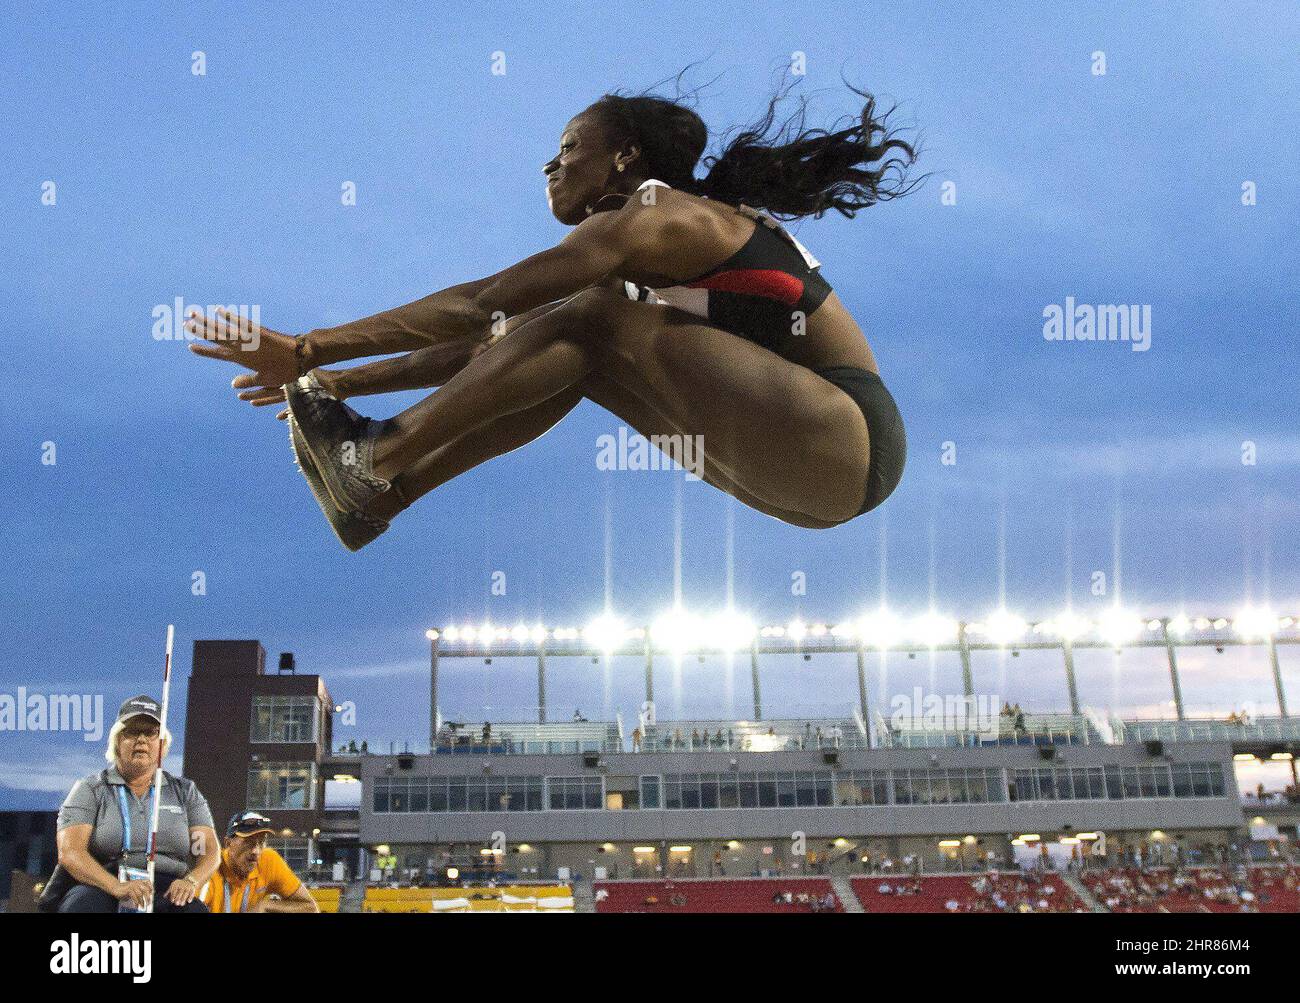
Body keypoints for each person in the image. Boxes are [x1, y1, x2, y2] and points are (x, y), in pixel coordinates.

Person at [188, 78, 917, 551]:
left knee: (593, 318)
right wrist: (330, 387)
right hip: (814, 482)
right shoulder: (640, 265)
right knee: (576, 354)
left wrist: (310, 348)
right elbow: (498, 343)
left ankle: (374, 459)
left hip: (847, 427)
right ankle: (377, 495)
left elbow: (486, 300)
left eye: (569, 147)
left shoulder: (658, 215)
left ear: (625, 157)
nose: (551, 165)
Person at [54, 695, 220, 912]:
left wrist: (191, 881)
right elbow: (71, 852)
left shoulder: (185, 792)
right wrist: (116, 886)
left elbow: (209, 851)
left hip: (166, 886)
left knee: (194, 911)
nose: (141, 739)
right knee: (80, 906)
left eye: (151, 732)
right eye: (132, 731)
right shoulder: (90, 789)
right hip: (104, 883)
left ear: (162, 745)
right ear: (117, 741)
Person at [200, 811, 320, 913]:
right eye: (248, 842)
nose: (256, 851)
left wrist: (266, 906)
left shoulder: (268, 860)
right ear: (228, 843)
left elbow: (311, 908)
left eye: (261, 842)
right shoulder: (210, 869)